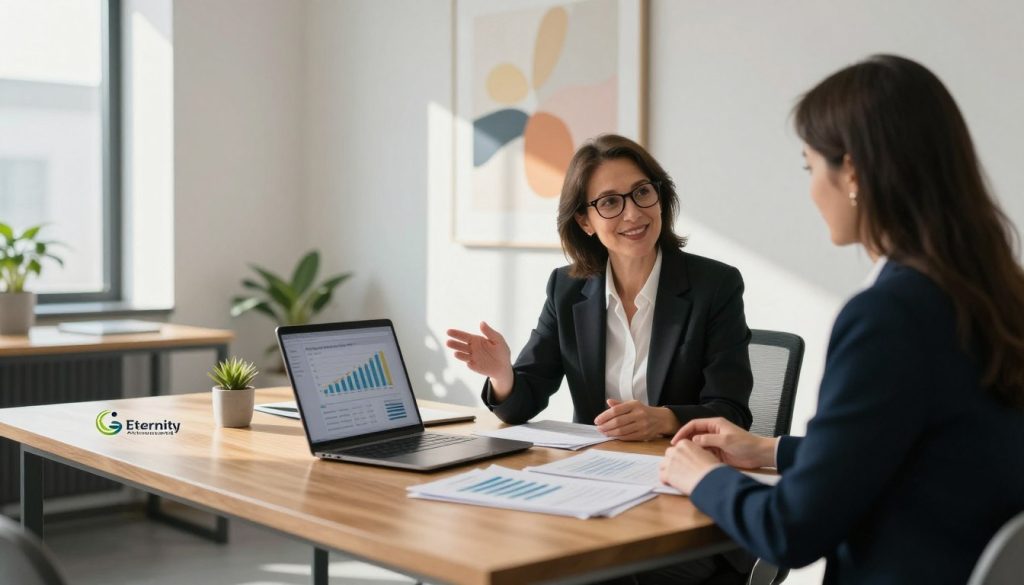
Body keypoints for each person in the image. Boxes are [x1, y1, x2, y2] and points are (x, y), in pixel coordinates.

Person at [659, 54, 1024, 585]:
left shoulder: (889, 316)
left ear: (851, 171)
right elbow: (925, 449)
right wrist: (770, 449)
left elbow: (791, 532)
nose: (811, 190)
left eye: (810, 167)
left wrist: (704, 477)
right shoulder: (995, 295)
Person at [448, 134, 755, 583]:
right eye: (609, 202)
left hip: (683, 499)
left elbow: (732, 411)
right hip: (596, 487)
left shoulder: (715, 286)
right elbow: (521, 403)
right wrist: (502, 376)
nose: (632, 213)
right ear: (586, 221)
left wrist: (664, 418)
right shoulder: (567, 288)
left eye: (642, 193)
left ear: (660, 197)